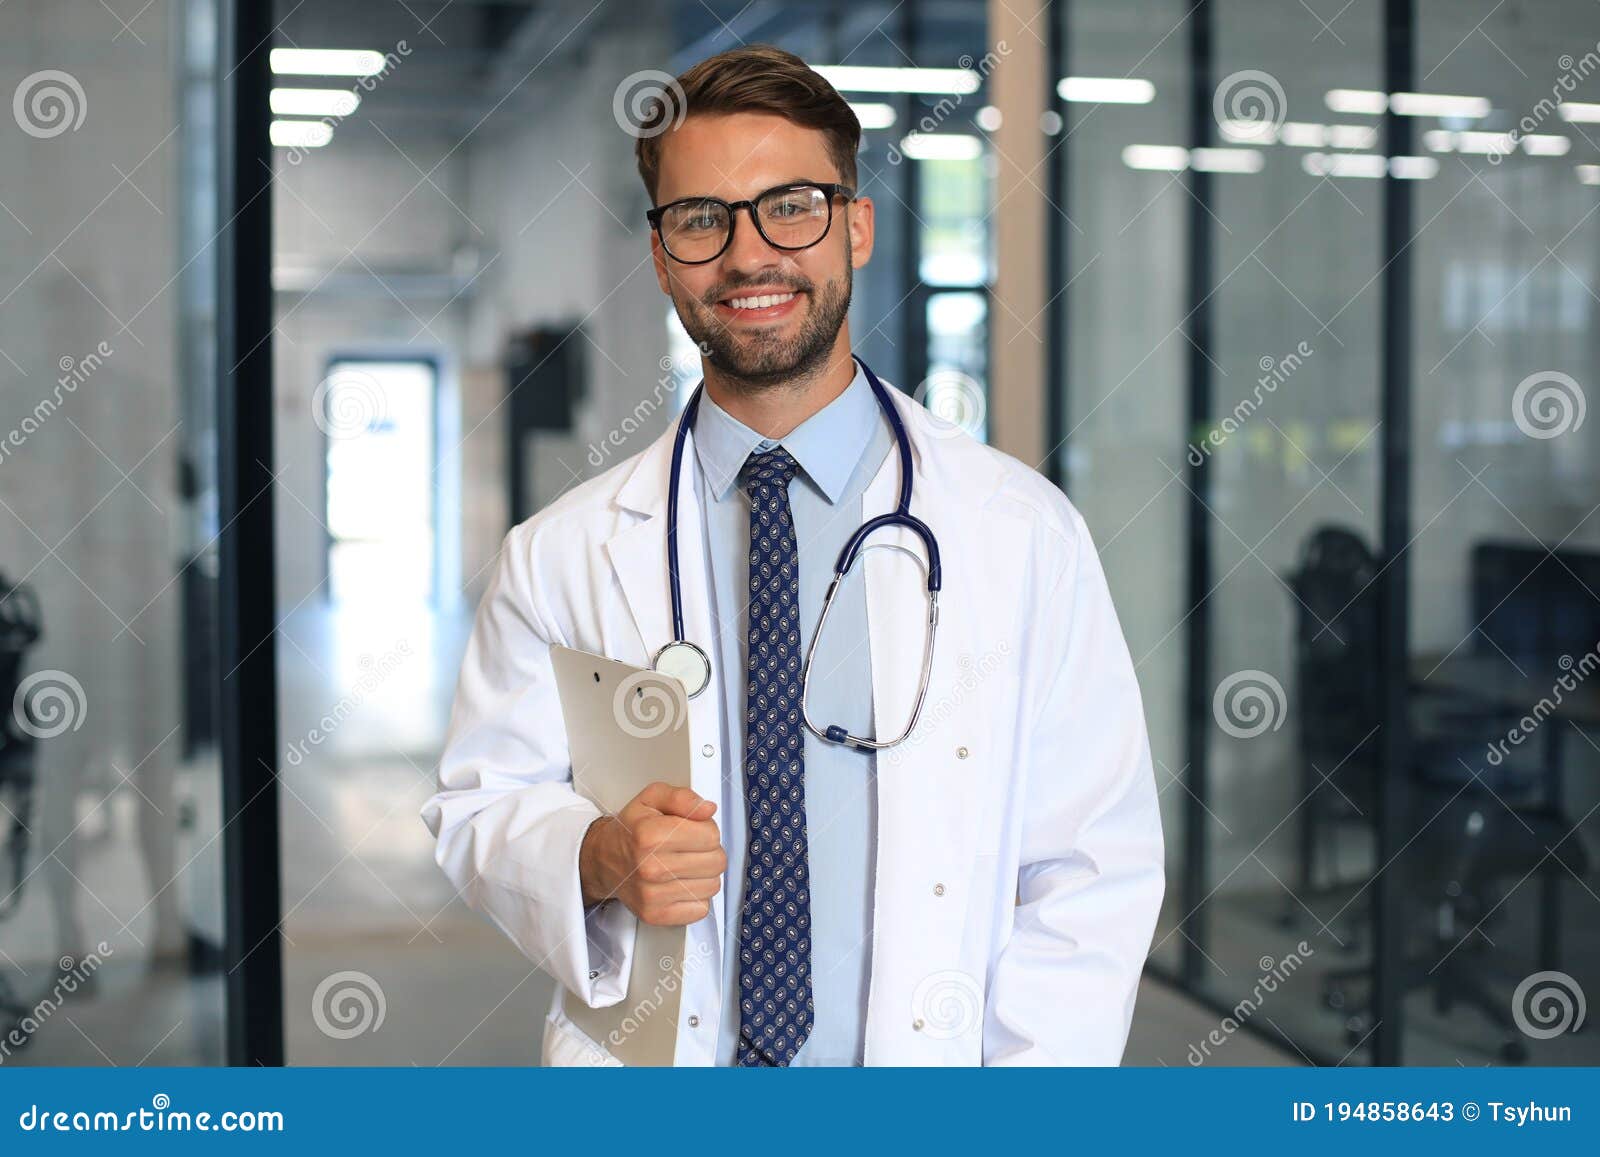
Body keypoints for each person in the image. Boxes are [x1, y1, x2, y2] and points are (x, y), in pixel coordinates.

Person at [421, 43, 1164, 1067]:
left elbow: (1090, 866)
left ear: (855, 223)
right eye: (701, 219)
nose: (748, 255)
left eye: (792, 206)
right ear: (660, 252)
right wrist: (595, 853)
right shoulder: (563, 553)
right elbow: (477, 808)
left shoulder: (1017, 531)